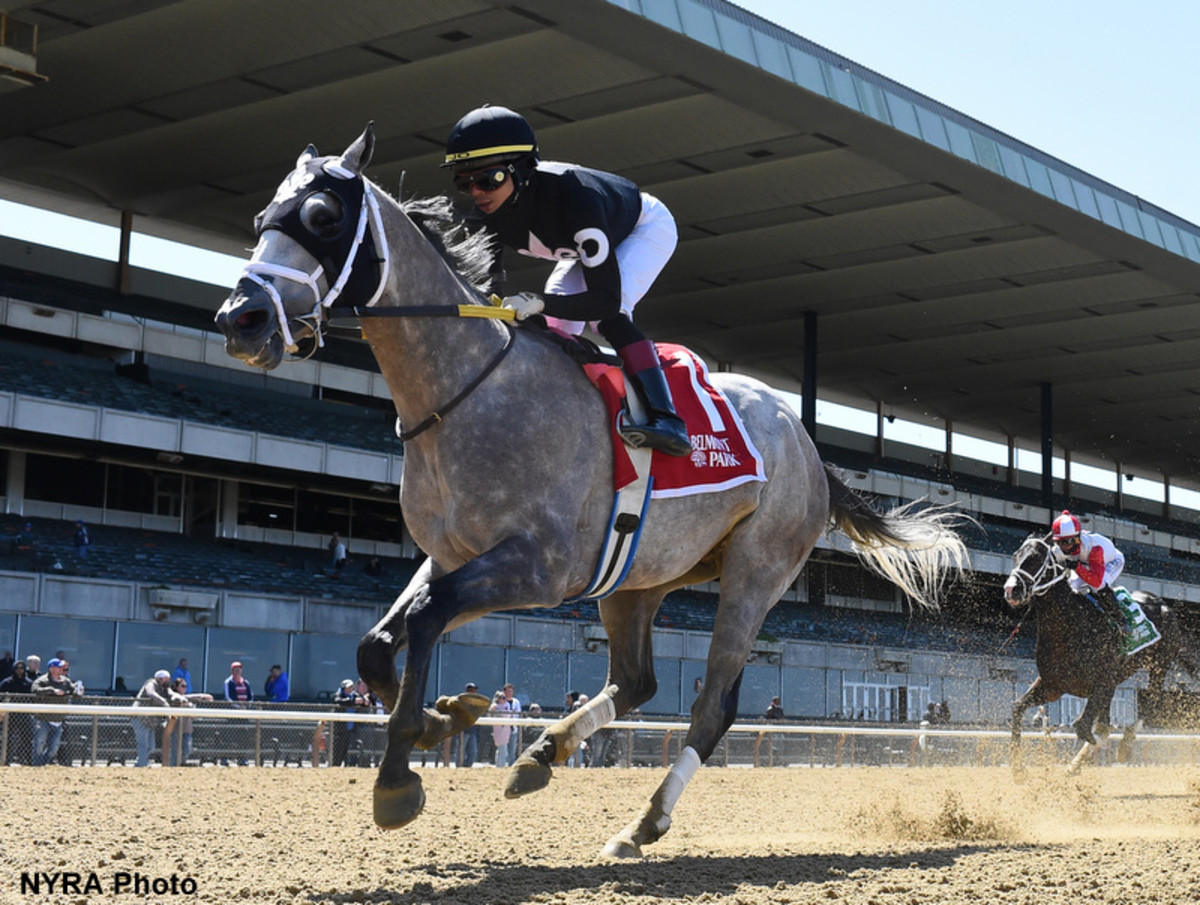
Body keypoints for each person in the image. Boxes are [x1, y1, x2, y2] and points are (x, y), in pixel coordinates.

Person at [442, 104, 691, 457]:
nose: (477, 191)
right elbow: (488, 292)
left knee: (608, 317)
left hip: (642, 227)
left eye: (488, 179)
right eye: (463, 181)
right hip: (578, 246)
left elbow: (604, 299)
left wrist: (539, 301)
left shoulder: (577, 200)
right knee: (554, 325)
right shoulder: (486, 217)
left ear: (521, 169)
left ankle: (667, 419)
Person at [1051, 510, 1129, 638]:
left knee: (1097, 586)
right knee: (1072, 586)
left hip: (1110, 561)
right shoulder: (1057, 550)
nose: (1063, 547)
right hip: (1086, 563)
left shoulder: (1094, 547)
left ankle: (1120, 619)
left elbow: (1096, 581)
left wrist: (1077, 568)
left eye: (1066, 542)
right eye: (1059, 542)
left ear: (1077, 538)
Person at [30, 657, 80, 765]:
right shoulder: (42, 680)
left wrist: (78, 691)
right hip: (43, 719)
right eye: (59, 667)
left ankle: (46, 763)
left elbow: (74, 691)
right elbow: (35, 689)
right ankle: (36, 766)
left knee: (54, 748)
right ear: (51, 669)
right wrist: (52, 691)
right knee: (39, 745)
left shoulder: (65, 681)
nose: (62, 669)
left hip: (58, 719)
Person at [132, 669, 187, 767]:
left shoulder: (164, 688)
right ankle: (141, 765)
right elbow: (151, 693)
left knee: (151, 746)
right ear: (159, 679)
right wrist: (164, 703)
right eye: (166, 679)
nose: (168, 681)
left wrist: (179, 698)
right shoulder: (151, 683)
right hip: (139, 717)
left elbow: (171, 694)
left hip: (150, 721)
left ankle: (139, 763)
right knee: (143, 744)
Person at [163, 677, 213, 766]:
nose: (185, 688)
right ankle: (173, 767)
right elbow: (181, 699)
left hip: (187, 729)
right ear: (176, 687)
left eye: (186, 686)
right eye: (182, 686)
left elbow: (192, 710)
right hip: (175, 729)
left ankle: (180, 763)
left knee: (187, 749)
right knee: (175, 751)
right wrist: (200, 696)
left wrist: (199, 698)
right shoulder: (173, 697)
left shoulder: (188, 700)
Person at [0, 660, 34, 765]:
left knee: (27, 736)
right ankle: (6, 759)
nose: (20, 670)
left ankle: (25, 759)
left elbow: (32, 698)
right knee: (8, 737)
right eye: (17, 668)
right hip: (10, 715)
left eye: (22, 668)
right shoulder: (7, 682)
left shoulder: (29, 683)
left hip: (24, 713)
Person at [332, 678, 363, 766]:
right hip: (340, 729)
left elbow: (362, 700)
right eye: (348, 687)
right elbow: (338, 701)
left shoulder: (354, 695)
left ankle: (347, 765)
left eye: (351, 687)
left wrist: (364, 701)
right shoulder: (338, 695)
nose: (350, 689)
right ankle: (335, 765)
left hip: (350, 729)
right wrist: (352, 701)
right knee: (338, 750)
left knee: (347, 749)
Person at [455, 681, 480, 768]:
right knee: (460, 751)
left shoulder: (476, 703)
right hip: (462, 731)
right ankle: (459, 766)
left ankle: (467, 766)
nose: (473, 692)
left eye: (474, 690)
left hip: (472, 731)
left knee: (473, 752)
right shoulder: (461, 701)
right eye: (471, 690)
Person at [501, 682, 523, 766]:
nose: (509, 693)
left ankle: (511, 765)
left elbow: (518, 713)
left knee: (512, 749)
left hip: (513, 728)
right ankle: (501, 764)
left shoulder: (516, 702)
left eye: (511, 691)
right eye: (508, 691)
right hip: (503, 729)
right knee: (503, 748)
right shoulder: (501, 701)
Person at [489, 690, 512, 768]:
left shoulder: (507, 706)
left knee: (502, 749)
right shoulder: (495, 707)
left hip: (506, 730)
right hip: (499, 730)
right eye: (501, 697)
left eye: (504, 697)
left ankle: (498, 765)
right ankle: (501, 766)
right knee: (502, 750)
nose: (503, 699)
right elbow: (492, 714)